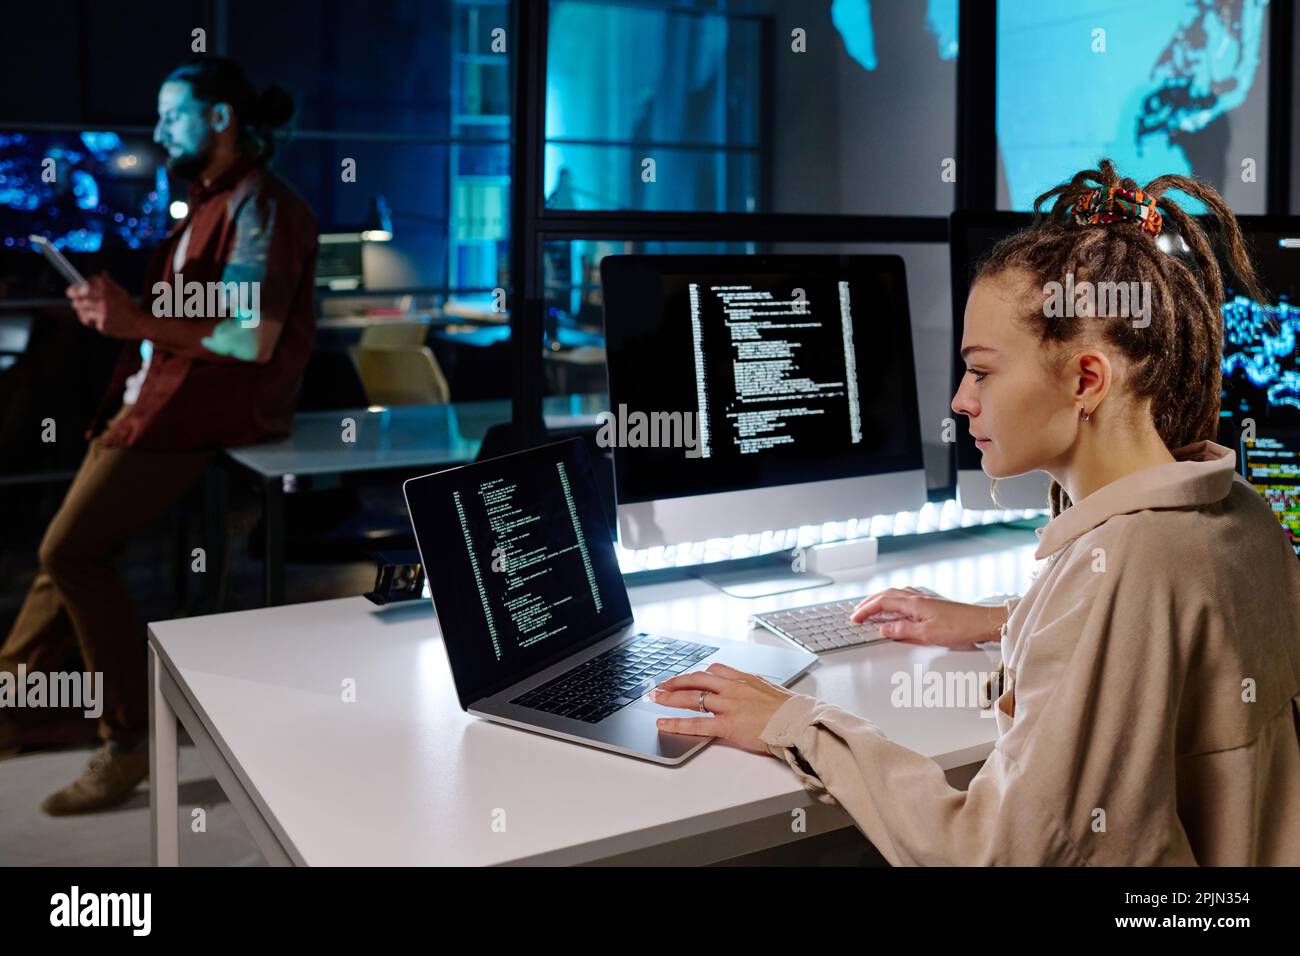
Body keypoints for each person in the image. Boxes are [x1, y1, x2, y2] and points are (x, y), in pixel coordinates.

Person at [651, 161, 1300, 865]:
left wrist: (795, 723)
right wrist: (1006, 620)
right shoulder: (1235, 511)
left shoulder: (1122, 572)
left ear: (1087, 380)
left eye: (982, 370)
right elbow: (1160, 636)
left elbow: (995, 853)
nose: (962, 401)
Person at [0, 57, 319, 815]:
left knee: (66, 553)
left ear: (219, 119)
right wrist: (122, 323)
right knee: (64, 562)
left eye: (172, 114)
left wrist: (132, 322)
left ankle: (129, 741)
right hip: (153, 405)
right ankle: (14, 710)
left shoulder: (260, 209)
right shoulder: (211, 204)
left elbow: (249, 340)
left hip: (195, 414)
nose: (157, 130)